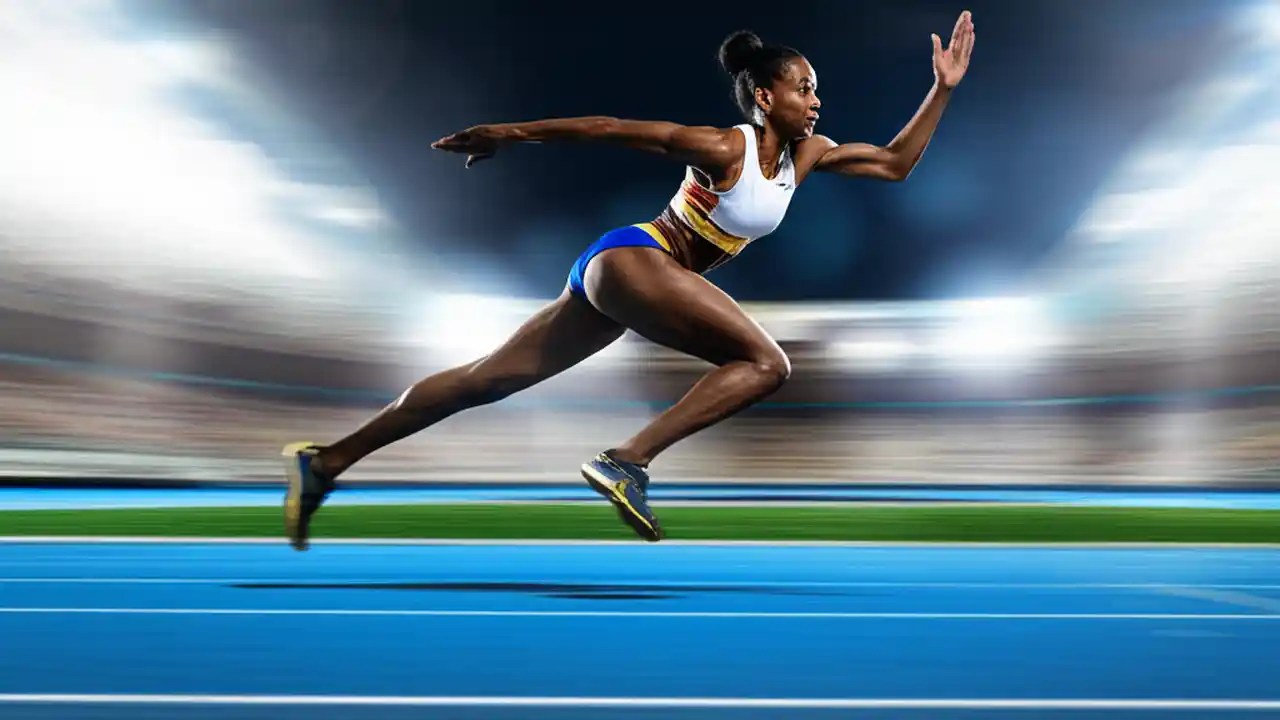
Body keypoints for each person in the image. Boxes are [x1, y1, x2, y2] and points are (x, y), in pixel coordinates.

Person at [283, 12, 976, 549]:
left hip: (620, 279)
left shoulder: (809, 154)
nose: (816, 100)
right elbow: (610, 127)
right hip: (636, 258)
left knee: (483, 379)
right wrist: (510, 134)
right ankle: (627, 460)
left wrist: (941, 88)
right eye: (803, 88)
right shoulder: (723, 146)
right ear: (764, 96)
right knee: (766, 363)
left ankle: (325, 462)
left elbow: (893, 164)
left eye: (816, 89)